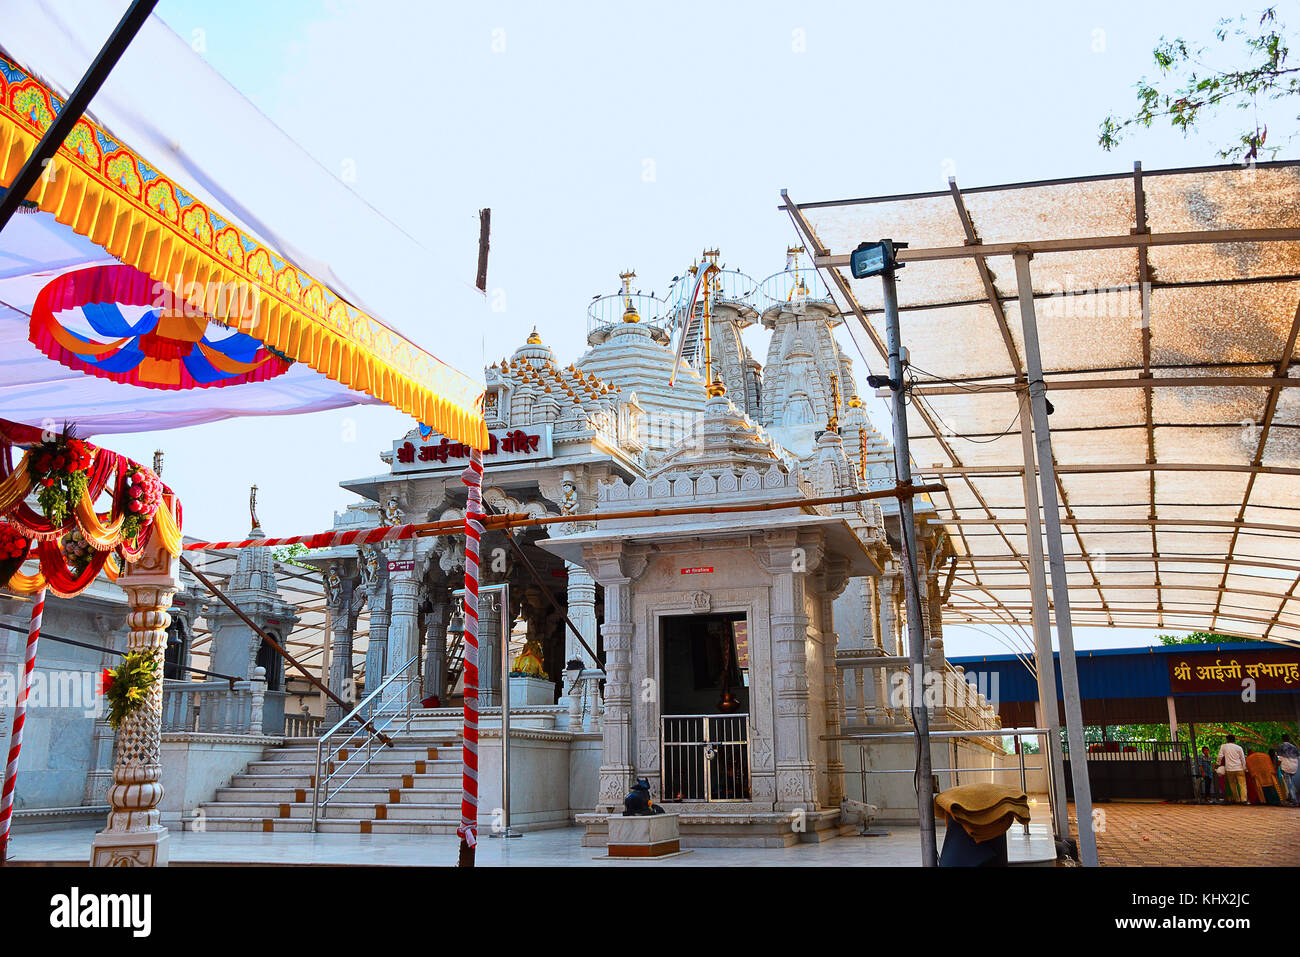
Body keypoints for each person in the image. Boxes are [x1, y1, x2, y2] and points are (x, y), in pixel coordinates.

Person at [1217, 735, 1248, 804]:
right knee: (1242, 784)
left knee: (1232, 784)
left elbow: (1220, 756)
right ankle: (1244, 800)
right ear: (1234, 740)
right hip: (1239, 768)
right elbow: (1243, 759)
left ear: (1227, 740)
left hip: (1229, 769)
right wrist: (1244, 768)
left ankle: (1237, 799)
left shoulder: (1224, 746)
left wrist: (1218, 763)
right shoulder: (1239, 747)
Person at [1277, 734, 1300, 805]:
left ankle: (1294, 800)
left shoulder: (1281, 746)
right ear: (1289, 739)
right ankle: (1290, 797)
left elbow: (1280, 759)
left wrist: (1276, 767)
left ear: (1282, 739)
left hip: (1286, 766)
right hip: (1294, 766)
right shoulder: (1294, 747)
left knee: (1289, 784)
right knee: (1290, 782)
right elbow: (1298, 757)